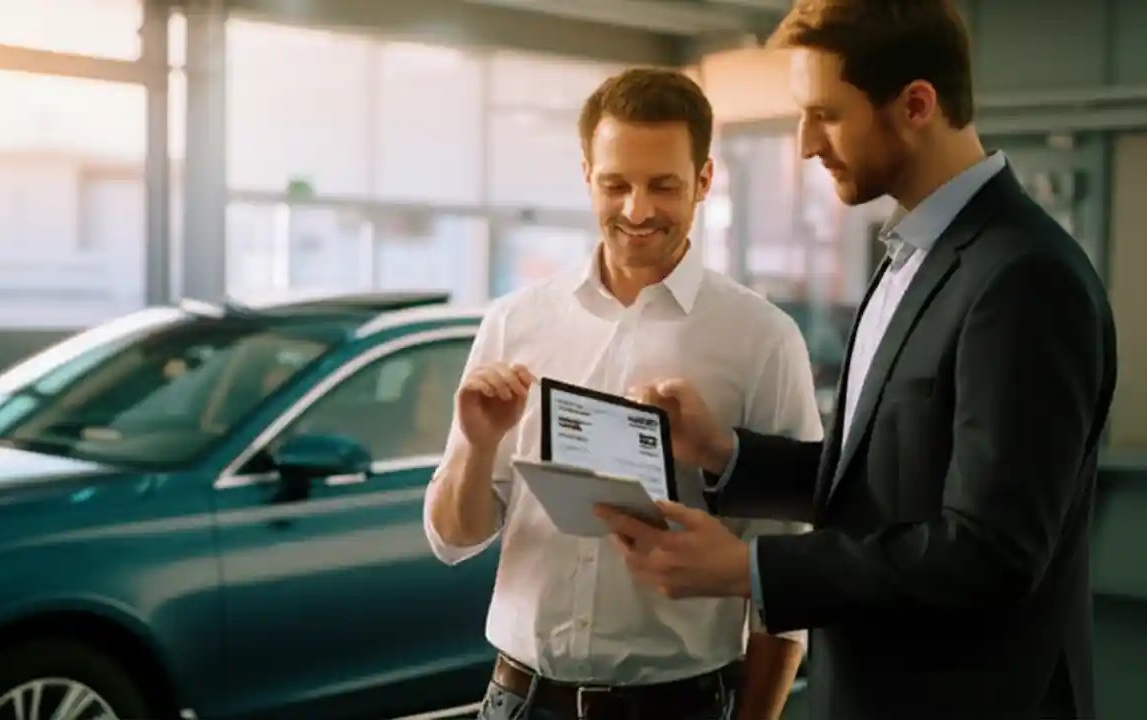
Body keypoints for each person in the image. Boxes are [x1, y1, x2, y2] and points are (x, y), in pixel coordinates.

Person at [595, 2, 1119, 719]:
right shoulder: (914, 254)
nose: (807, 143)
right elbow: (882, 480)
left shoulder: (1025, 278)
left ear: (916, 104)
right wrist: (724, 451)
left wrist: (749, 569)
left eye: (826, 114)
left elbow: (991, 553)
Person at [423, 68, 820, 720]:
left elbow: (786, 581)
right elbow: (453, 538)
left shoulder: (762, 340)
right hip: (516, 701)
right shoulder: (515, 322)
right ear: (587, 177)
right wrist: (476, 442)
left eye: (663, 185)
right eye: (615, 185)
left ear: (703, 180)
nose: (637, 210)